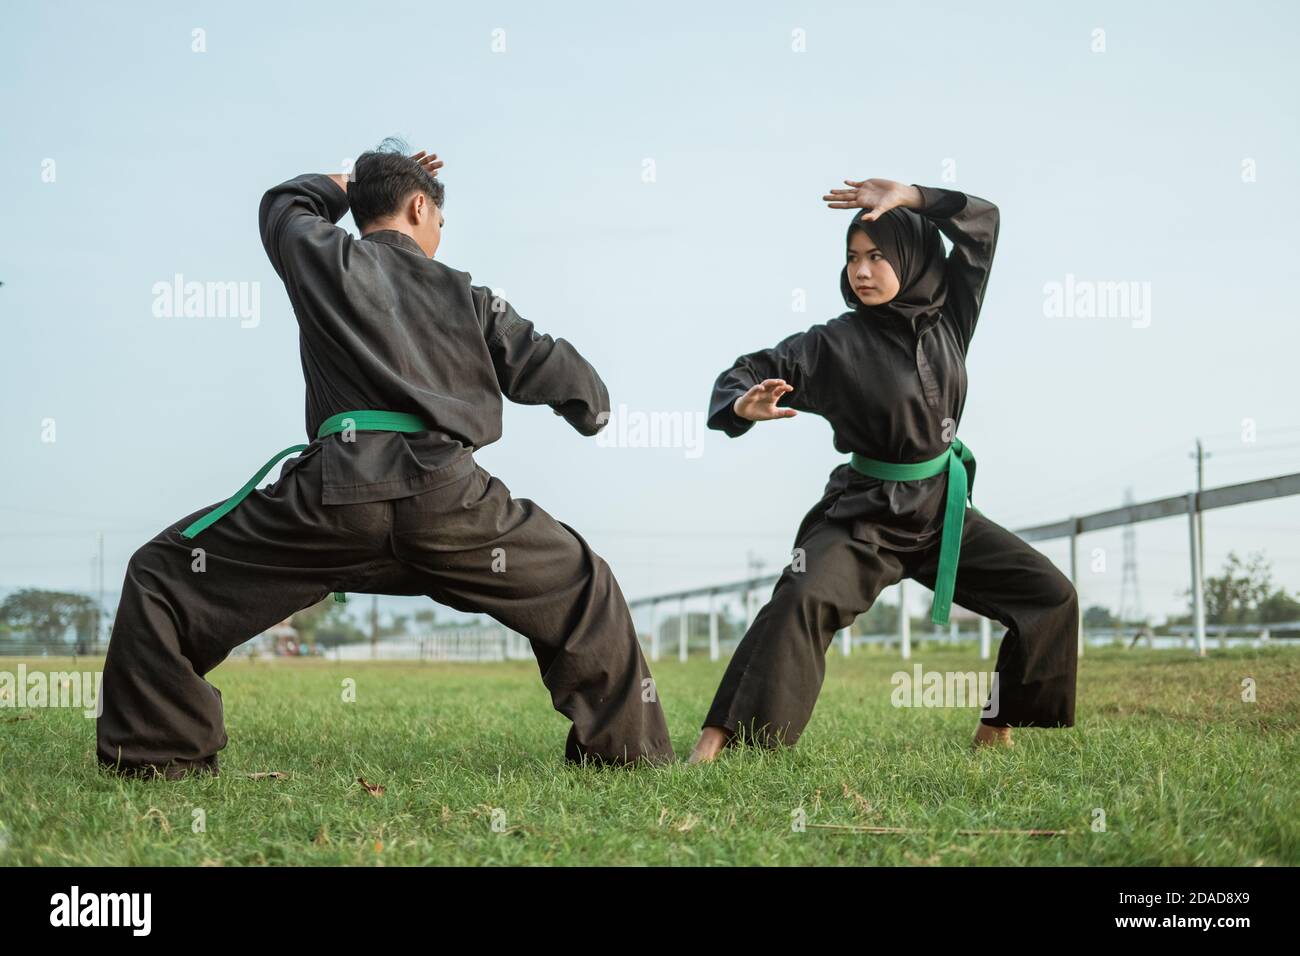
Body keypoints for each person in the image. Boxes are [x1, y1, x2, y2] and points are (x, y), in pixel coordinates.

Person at [97, 139, 674, 779]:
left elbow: (284, 202)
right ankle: (627, 758)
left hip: (331, 500)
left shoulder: (321, 256)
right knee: (583, 585)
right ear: (421, 206)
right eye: (439, 224)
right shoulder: (471, 299)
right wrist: (589, 407)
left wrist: (355, 180)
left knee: (160, 577)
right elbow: (560, 373)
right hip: (452, 504)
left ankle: (156, 755)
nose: (439, 239)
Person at [688, 177, 1078, 763]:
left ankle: (997, 726)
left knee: (1051, 595)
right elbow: (746, 369)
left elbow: (983, 223)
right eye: (852, 258)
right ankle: (719, 741)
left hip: (942, 511)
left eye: (876, 256)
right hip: (865, 518)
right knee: (799, 599)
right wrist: (742, 404)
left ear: (911, 258)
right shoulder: (832, 344)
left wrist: (914, 195)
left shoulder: (952, 316)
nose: (861, 271)